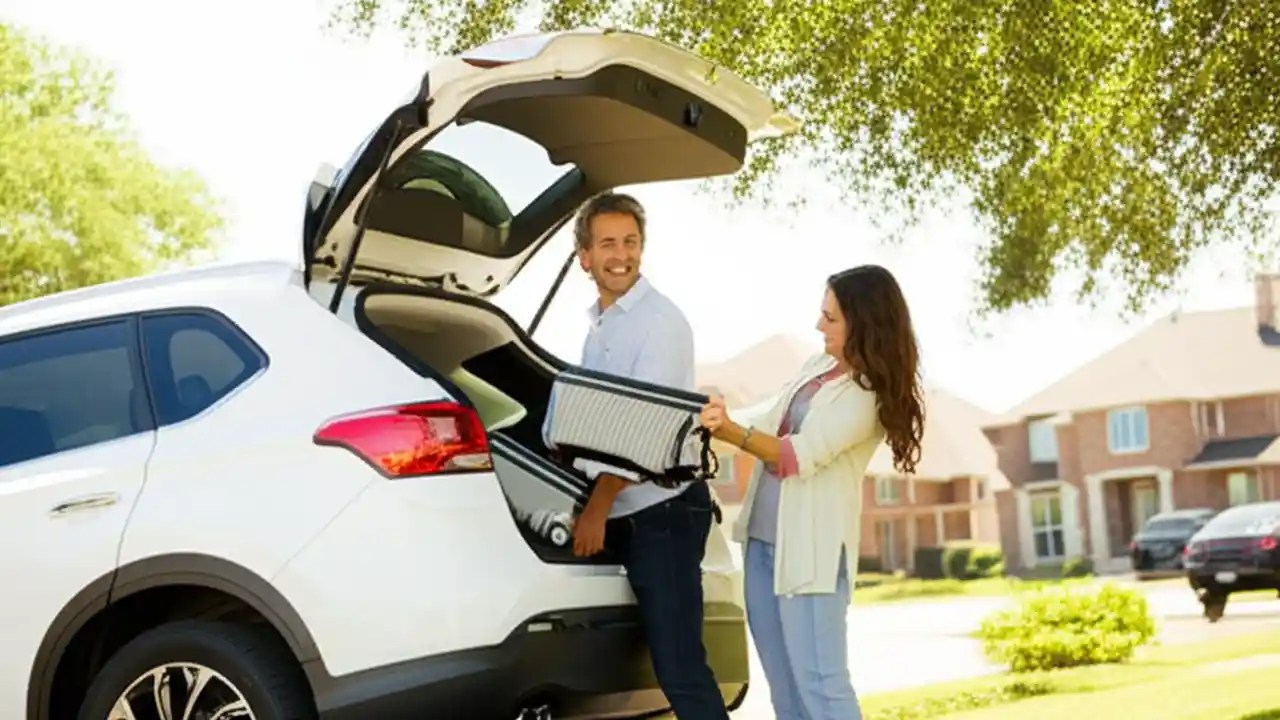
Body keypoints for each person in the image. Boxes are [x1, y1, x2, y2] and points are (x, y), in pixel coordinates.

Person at [698, 265, 926, 720]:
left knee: (822, 688)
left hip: (811, 558)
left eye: (831, 318)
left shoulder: (867, 397)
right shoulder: (818, 368)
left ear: (863, 323)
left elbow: (796, 456)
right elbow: (767, 418)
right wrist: (714, 417)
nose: (818, 325)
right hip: (762, 546)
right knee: (785, 692)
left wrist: (730, 431)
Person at [566, 191, 728, 720]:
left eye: (630, 242)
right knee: (658, 666)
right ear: (584, 256)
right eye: (608, 243)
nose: (621, 255)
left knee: (681, 669)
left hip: (664, 513)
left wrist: (596, 508)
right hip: (629, 512)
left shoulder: (659, 323)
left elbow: (645, 434)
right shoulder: (601, 327)